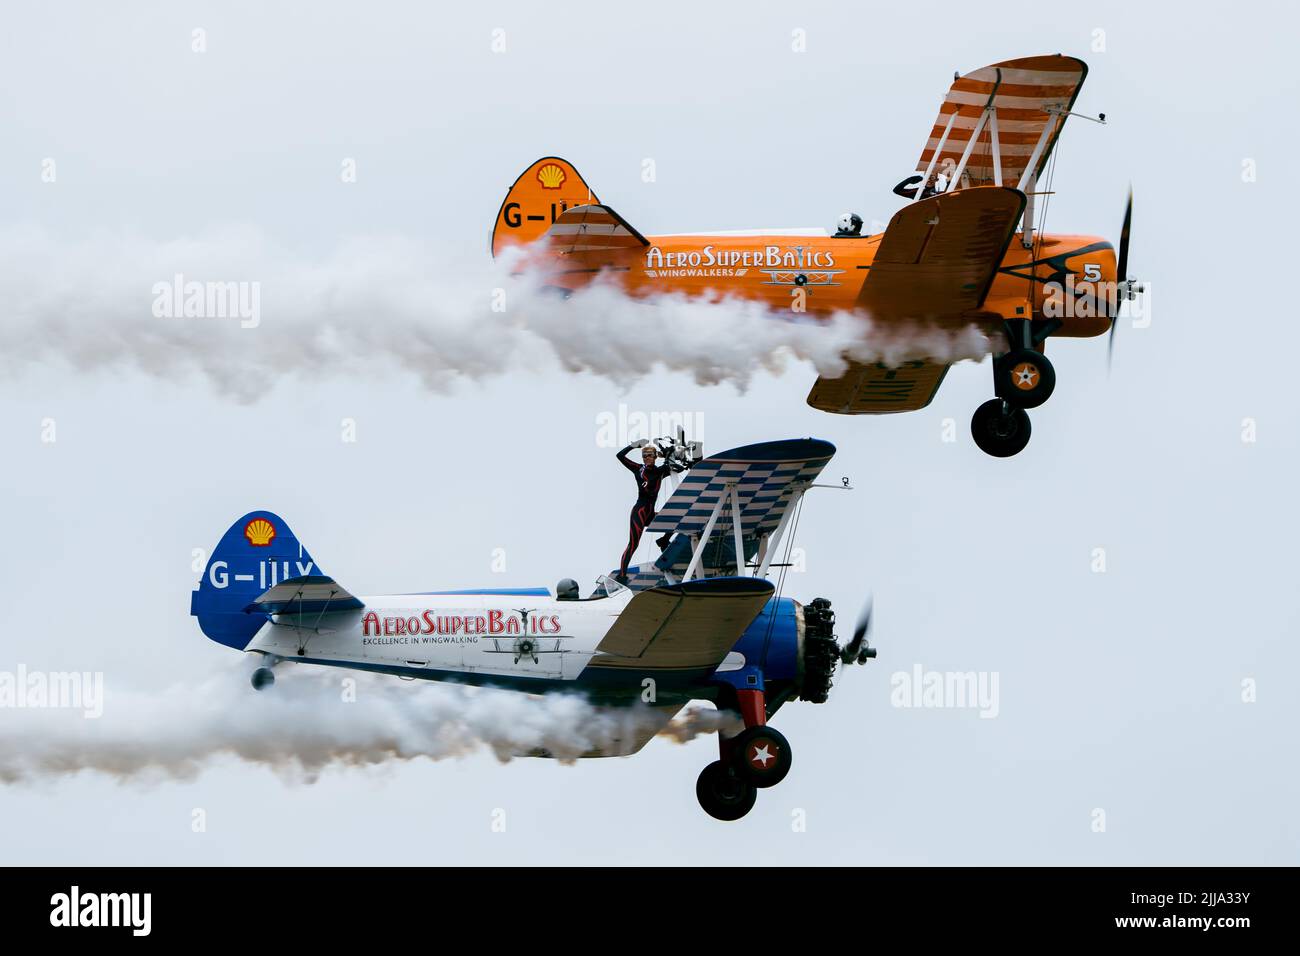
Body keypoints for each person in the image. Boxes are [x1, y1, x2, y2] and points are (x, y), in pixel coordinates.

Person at [615, 440, 674, 582]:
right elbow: (620, 456)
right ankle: (622, 576)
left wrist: (669, 454)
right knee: (633, 544)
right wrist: (633, 446)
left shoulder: (660, 471)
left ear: (655, 457)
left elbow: (676, 468)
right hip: (639, 513)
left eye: (649, 455)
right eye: (644, 455)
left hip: (650, 514)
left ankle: (664, 541)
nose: (647, 458)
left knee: (675, 519)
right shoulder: (638, 469)